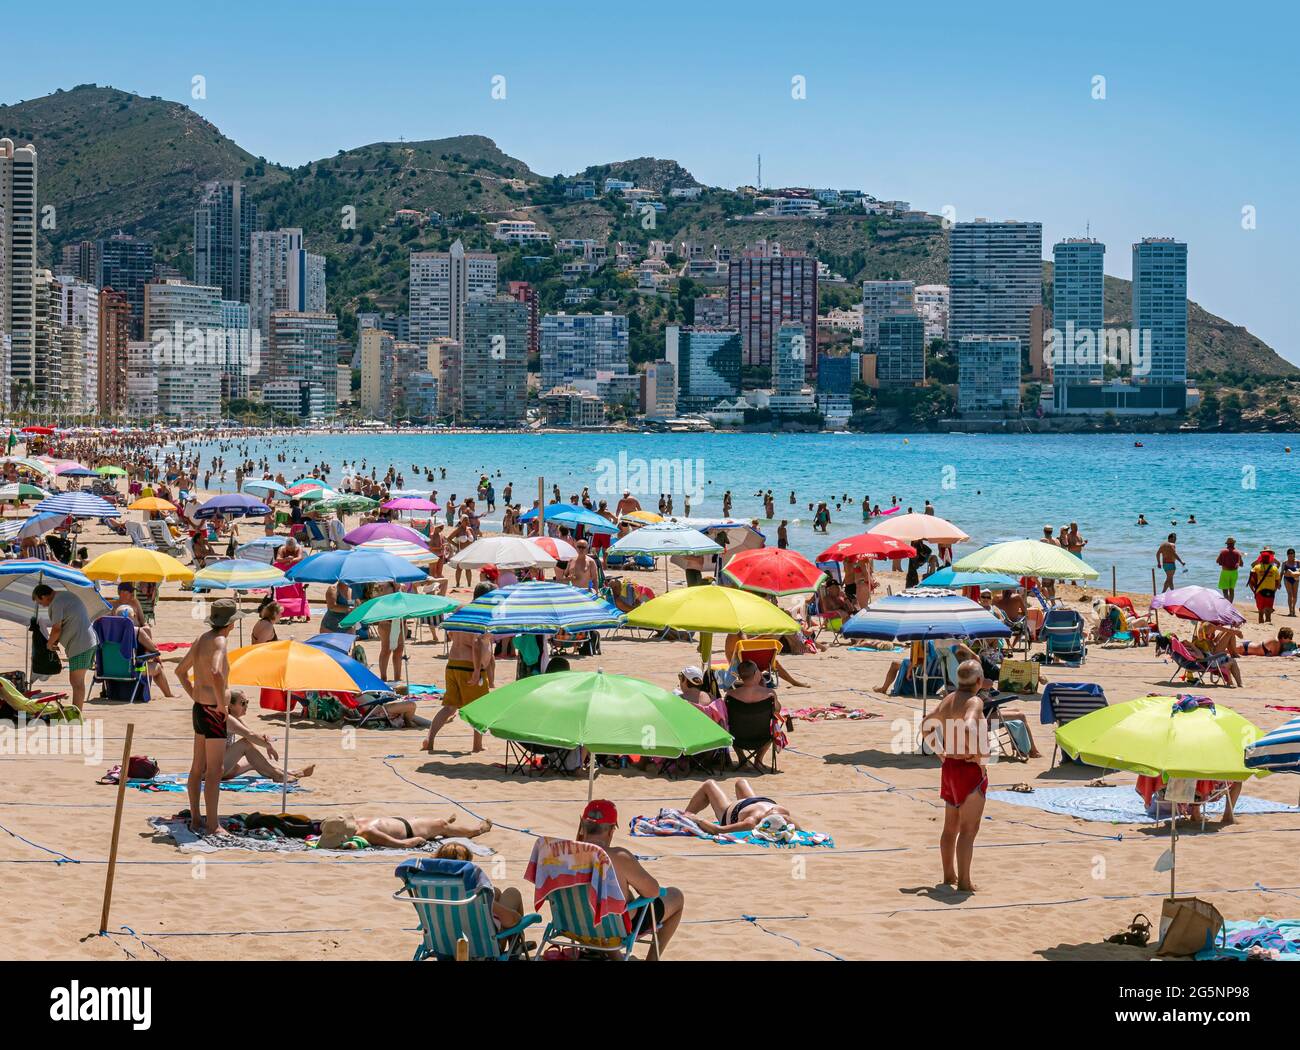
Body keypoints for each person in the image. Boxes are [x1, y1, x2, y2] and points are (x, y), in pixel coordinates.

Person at [575, 799, 683, 961]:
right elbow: (653, 891)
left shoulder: (562, 855)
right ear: (611, 830)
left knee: (603, 908)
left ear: (582, 826)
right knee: (676, 896)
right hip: (615, 928)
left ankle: (611, 954)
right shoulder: (618, 857)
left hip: (574, 924)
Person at [176, 598, 242, 836]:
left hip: (199, 708)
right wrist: (222, 706)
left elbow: (180, 671)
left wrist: (194, 694)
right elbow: (215, 672)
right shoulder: (221, 641)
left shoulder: (201, 639)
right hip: (213, 710)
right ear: (231, 623)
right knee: (214, 770)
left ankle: (196, 819)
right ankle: (213, 824)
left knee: (197, 768)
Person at [921, 660, 988, 892]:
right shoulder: (975, 701)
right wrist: (978, 756)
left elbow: (926, 725)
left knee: (950, 828)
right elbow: (968, 728)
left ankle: (949, 875)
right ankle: (965, 882)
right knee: (969, 830)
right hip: (967, 769)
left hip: (949, 766)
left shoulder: (948, 699)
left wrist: (939, 751)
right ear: (979, 681)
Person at [424, 583, 495, 752]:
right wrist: (478, 670)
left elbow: (450, 633)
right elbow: (477, 642)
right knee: (480, 708)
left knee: (449, 707)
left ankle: (429, 738)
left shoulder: (460, 609)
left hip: (453, 662)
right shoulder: (481, 614)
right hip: (470, 665)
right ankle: (477, 746)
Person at [222, 690, 314, 783]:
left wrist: (264, 737)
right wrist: (268, 746)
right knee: (245, 744)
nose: (246, 706)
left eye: (247, 702)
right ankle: (277, 775)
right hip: (215, 770)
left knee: (254, 760)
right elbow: (250, 736)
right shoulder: (228, 719)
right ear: (230, 705)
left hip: (225, 765)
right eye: (242, 703)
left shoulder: (236, 719)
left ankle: (292, 773)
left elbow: (253, 734)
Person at [32, 583, 97, 712]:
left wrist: (49, 644)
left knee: (76, 682)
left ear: (44, 596)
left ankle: (76, 714)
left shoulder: (57, 602)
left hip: (81, 644)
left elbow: (56, 629)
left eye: (40, 601)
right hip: (86, 642)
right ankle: (76, 711)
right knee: (78, 682)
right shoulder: (64, 596)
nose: (41, 605)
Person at [317, 813, 492, 850]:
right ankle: (476, 830)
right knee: (441, 825)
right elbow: (400, 844)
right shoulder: (366, 831)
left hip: (405, 822)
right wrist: (417, 841)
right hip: (411, 828)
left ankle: (450, 823)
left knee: (440, 825)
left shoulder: (360, 824)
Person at [683, 779, 802, 832]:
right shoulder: (785, 816)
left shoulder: (751, 822)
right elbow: (802, 831)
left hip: (730, 812)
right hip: (753, 802)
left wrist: (697, 819)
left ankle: (683, 817)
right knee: (741, 782)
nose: (771, 811)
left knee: (709, 784)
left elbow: (717, 830)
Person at [723, 660, 780, 771]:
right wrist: (763, 687)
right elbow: (777, 710)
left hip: (737, 738)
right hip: (763, 737)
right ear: (755, 674)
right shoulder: (769, 694)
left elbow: (726, 714)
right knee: (774, 728)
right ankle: (758, 760)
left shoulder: (730, 695)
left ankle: (742, 760)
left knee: (730, 728)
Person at [1248, 549, 1281, 624]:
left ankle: (1261, 626)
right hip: (1271, 593)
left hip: (1259, 592)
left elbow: (1250, 582)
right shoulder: (1275, 569)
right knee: (1268, 613)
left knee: (1260, 613)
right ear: (1270, 559)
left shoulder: (1256, 567)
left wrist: (1254, 591)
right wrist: (1274, 590)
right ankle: (1267, 625)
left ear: (1261, 558)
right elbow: (1278, 582)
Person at [1217, 537, 1244, 602]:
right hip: (1234, 573)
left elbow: (1218, 561)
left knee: (1225, 590)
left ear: (1227, 544)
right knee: (1231, 590)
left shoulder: (1223, 551)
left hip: (1225, 572)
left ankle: (1227, 604)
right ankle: (1230, 604)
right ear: (1234, 544)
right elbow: (1241, 564)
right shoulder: (1238, 552)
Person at [1283, 549, 1300, 617]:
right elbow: (1282, 572)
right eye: (1289, 556)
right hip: (1287, 579)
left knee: (1295, 595)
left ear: (1294, 555)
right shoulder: (1285, 563)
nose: (1290, 558)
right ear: (1287, 555)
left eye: (1292, 556)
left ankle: (1293, 608)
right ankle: (1290, 611)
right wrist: (1278, 582)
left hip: (1296, 579)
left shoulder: (1298, 562)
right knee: (1290, 595)